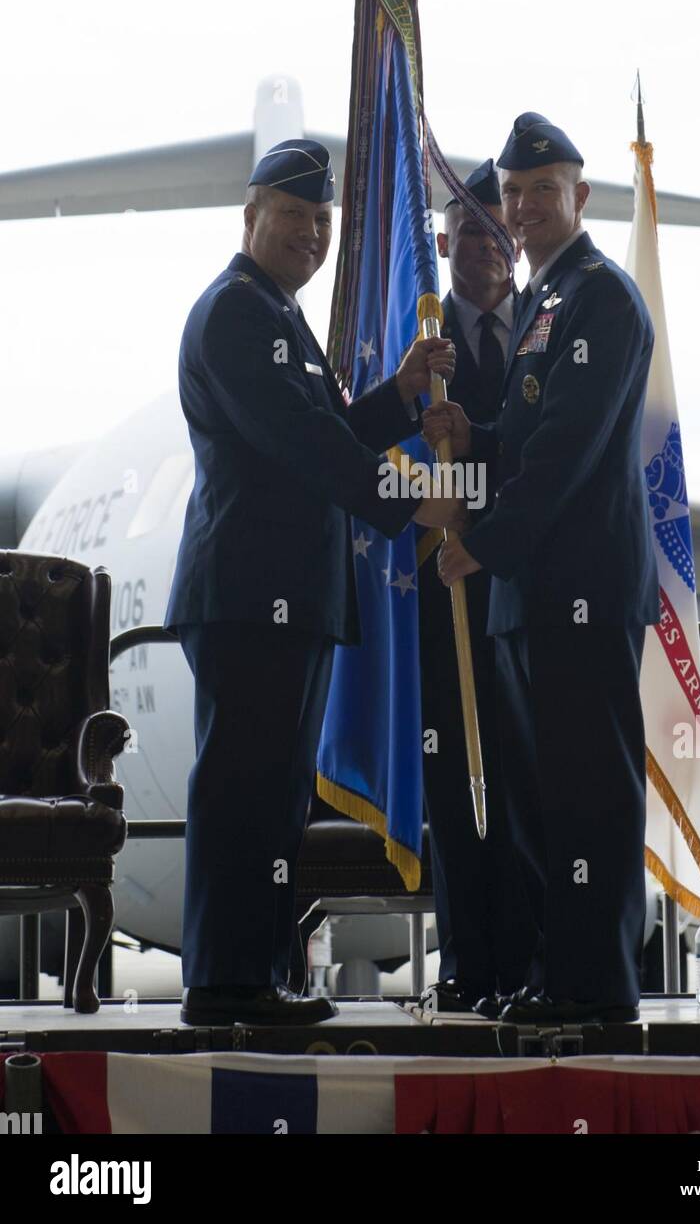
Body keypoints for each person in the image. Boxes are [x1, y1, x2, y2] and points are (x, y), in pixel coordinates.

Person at [165, 138, 461, 1027]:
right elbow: (303, 444)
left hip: (289, 598)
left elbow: (325, 425)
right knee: (243, 791)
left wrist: (402, 393)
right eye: (291, 216)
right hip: (253, 597)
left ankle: (261, 974)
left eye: (320, 220)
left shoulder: (277, 316)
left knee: (274, 794)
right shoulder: (232, 315)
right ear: (249, 218)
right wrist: (413, 509)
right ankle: (223, 985)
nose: (308, 232)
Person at [425, 114, 659, 1024]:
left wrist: (482, 542)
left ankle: (595, 984)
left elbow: (565, 451)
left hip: (578, 590)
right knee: (537, 802)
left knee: (587, 795)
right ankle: (553, 974)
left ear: (579, 196)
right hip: (530, 596)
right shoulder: (543, 303)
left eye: (538, 191)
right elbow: (522, 438)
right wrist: (471, 436)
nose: (520, 209)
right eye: (511, 194)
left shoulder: (600, 296)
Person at [418, 160, 536, 1017]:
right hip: (443, 596)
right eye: (466, 234)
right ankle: (464, 962)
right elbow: (386, 467)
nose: (482, 249)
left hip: (522, 590)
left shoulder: (546, 328)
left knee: (526, 781)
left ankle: (529, 962)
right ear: (443, 244)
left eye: (496, 233)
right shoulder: (419, 349)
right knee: (455, 787)